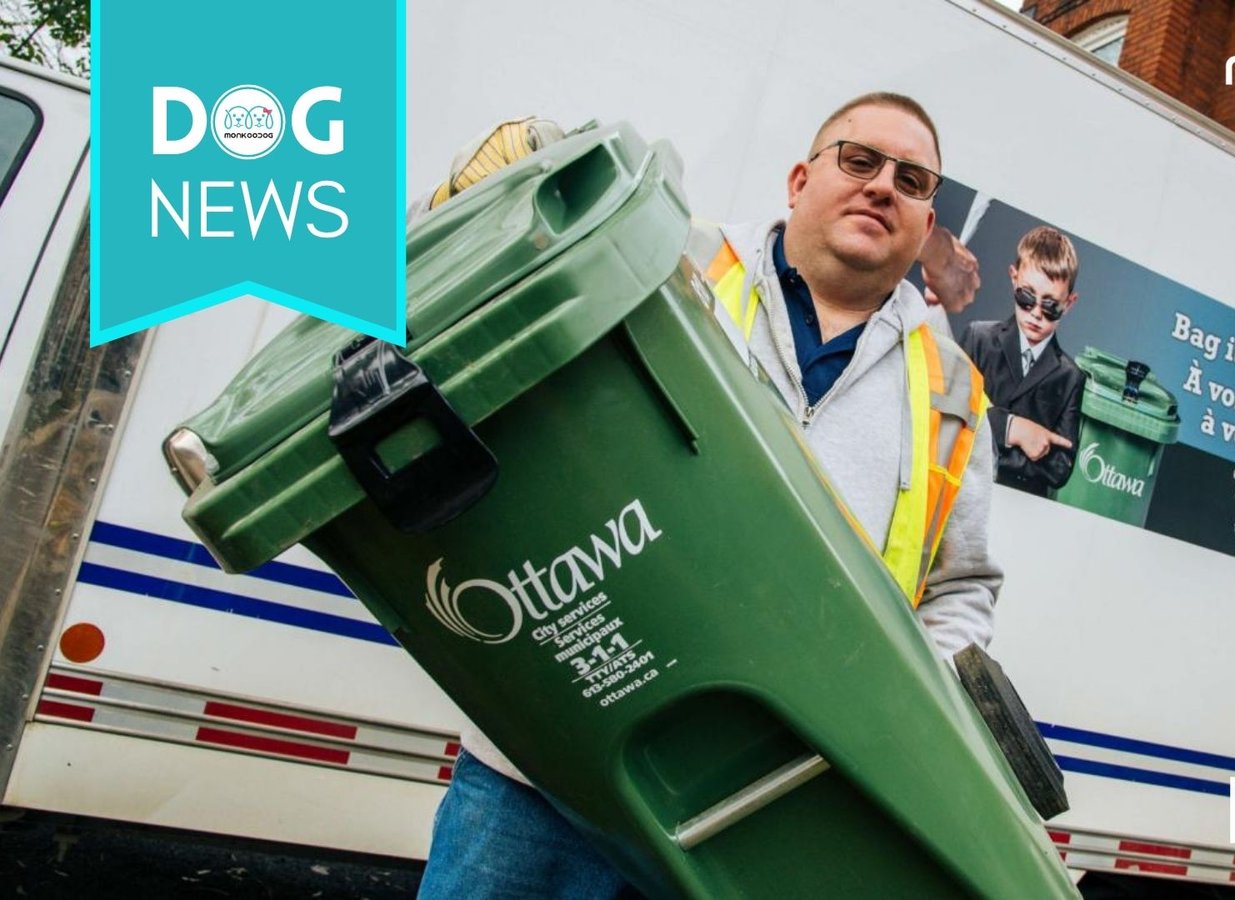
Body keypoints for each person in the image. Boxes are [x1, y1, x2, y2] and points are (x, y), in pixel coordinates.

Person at [415, 93, 1002, 899]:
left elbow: (961, 588)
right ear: (800, 179)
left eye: (912, 179)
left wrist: (904, 713)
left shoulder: (954, 393)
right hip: (553, 768)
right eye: (858, 160)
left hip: (754, 808)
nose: (882, 187)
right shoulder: (666, 259)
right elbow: (462, 282)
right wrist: (473, 197)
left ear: (928, 222)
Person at [959, 226, 1087, 499]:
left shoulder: (1071, 377)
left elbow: (1059, 469)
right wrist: (1012, 429)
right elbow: (953, 418)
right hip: (964, 491)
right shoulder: (978, 339)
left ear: (1070, 303)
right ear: (1014, 279)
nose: (1036, 314)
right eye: (1026, 298)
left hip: (1023, 507)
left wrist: (987, 434)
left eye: (1051, 306)